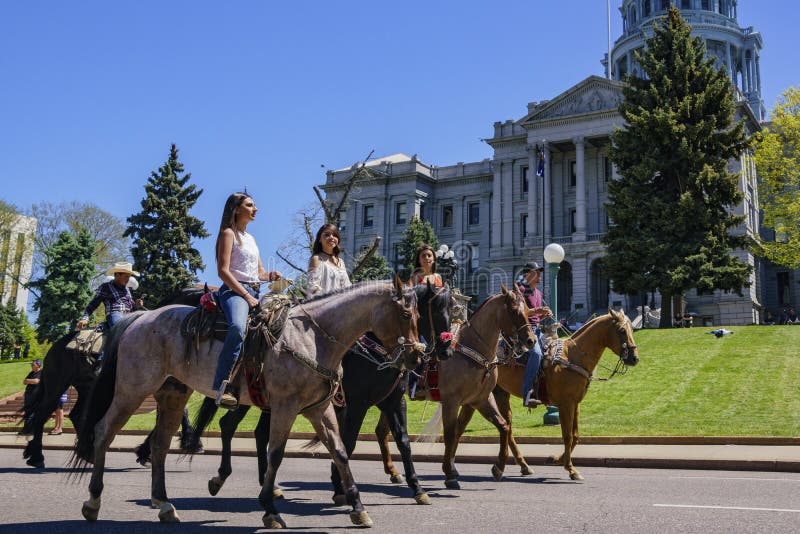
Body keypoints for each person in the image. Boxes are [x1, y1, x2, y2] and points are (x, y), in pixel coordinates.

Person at [212, 192, 281, 408]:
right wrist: (246, 295)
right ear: (236, 209)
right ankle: (224, 386)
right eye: (250, 205)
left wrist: (270, 276)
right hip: (233, 292)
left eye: (254, 205)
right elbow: (223, 272)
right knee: (237, 328)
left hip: (254, 292)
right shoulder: (228, 234)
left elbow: (258, 272)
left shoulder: (251, 239)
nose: (255, 209)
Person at [516, 262, 553, 408]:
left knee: (554, 354)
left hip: (536, 330)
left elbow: (535, 318)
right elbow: (520, 313)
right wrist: (538, 310)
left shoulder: (538, 293)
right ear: (527, 275)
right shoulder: (521, 290)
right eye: (536, 272)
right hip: (525, 331)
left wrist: (543, 314)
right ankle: (526, 394)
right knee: (536, 354)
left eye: (540, 273)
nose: (539, 276)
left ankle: (544, 392)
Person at [76, 262, 144, 330]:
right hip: (116, 314)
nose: (128, 279)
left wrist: (136, 305)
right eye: (126, 276)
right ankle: (108, 326)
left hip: (130, 316)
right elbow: (93, 304)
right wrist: (85, 318)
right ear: (117, 275)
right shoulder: (105, 287)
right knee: (120, 329)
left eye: (129, 277)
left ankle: (106, 325)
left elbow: (131, 307)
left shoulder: (127, 289)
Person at [307, 224, 351, 297]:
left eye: (335, 235)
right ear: (320, 239)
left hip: (343, 305)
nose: (331, 237)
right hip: (324, 306)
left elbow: (347, 287)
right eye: (327, 235)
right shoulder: (316, 259)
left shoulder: (341, 262)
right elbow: (313, 289)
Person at [22, 359, 42, 425]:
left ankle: (30, 429)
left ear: (38, 365)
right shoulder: (31, 373)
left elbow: (37, 381)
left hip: (35, 395)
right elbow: (24, 382)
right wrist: (29, 381)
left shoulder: (41, 372)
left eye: (33, 364)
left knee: (33, 412)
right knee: (27, 411)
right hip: (28, 394)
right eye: (31, 364)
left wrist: (28, 380)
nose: (31, 366)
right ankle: (26, 429)